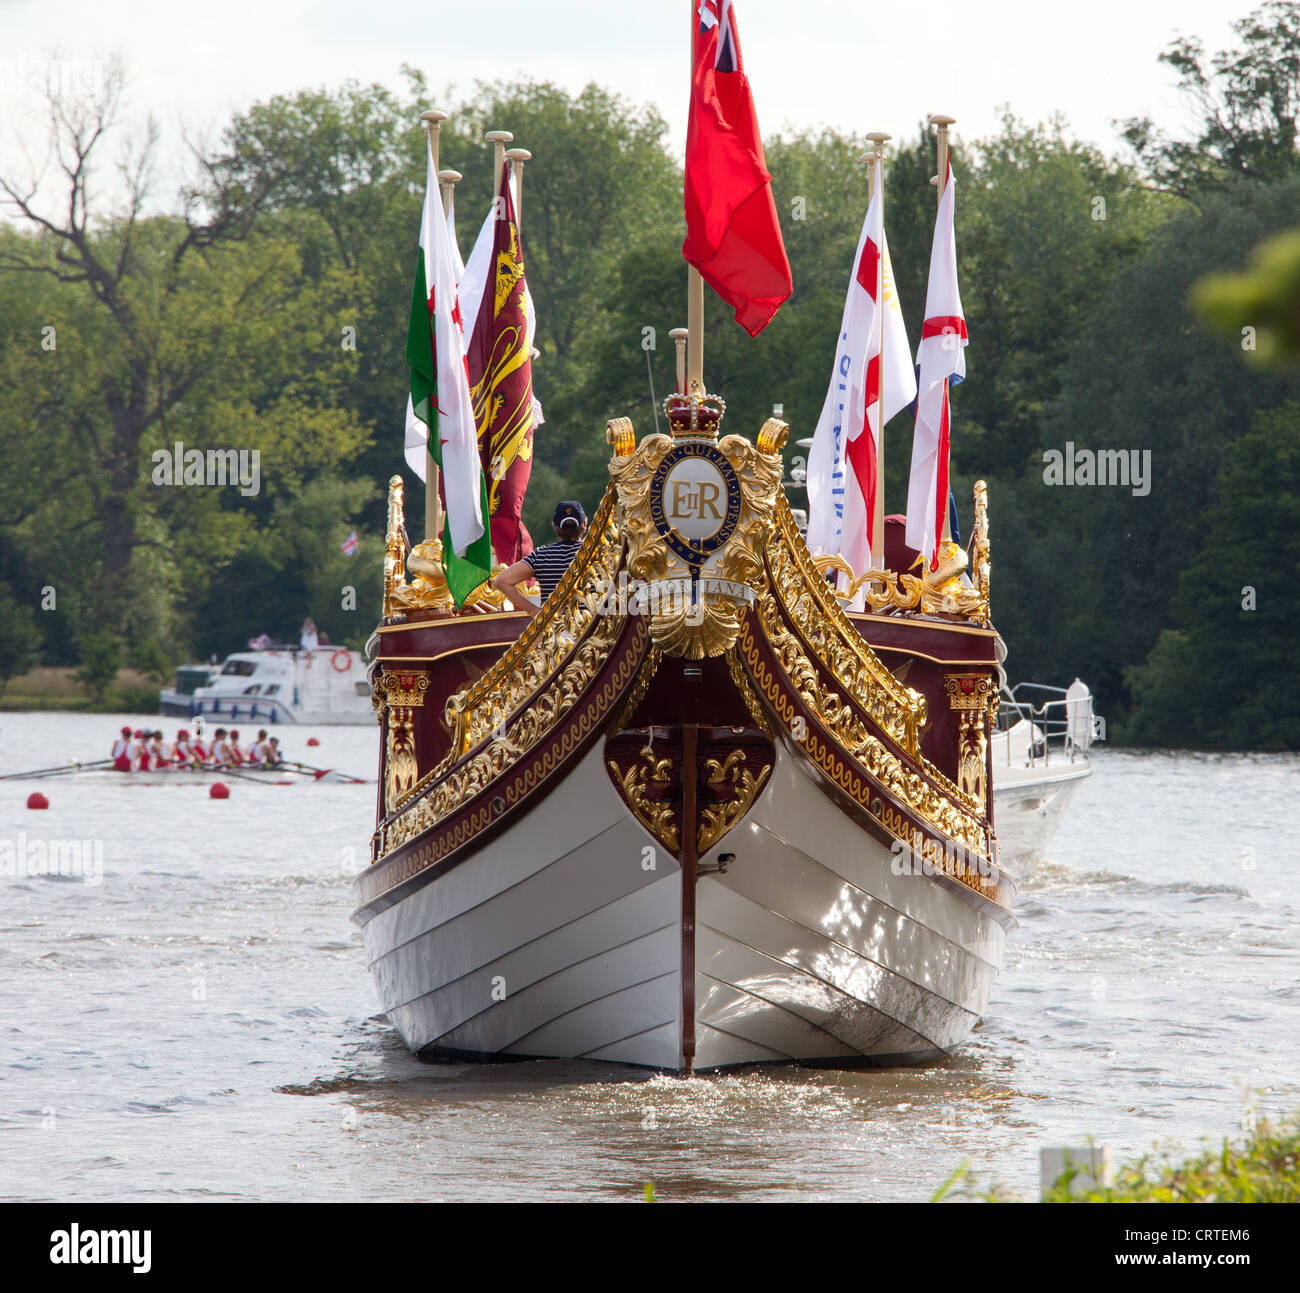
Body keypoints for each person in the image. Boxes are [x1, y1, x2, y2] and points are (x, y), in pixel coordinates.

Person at [493, 501, 587, 618]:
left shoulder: (541, 555)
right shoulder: (596, 551)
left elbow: (501, 581)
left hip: (554, 629)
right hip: (591, 627)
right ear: (585, 524)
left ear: (554, 525)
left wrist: (532, 610)